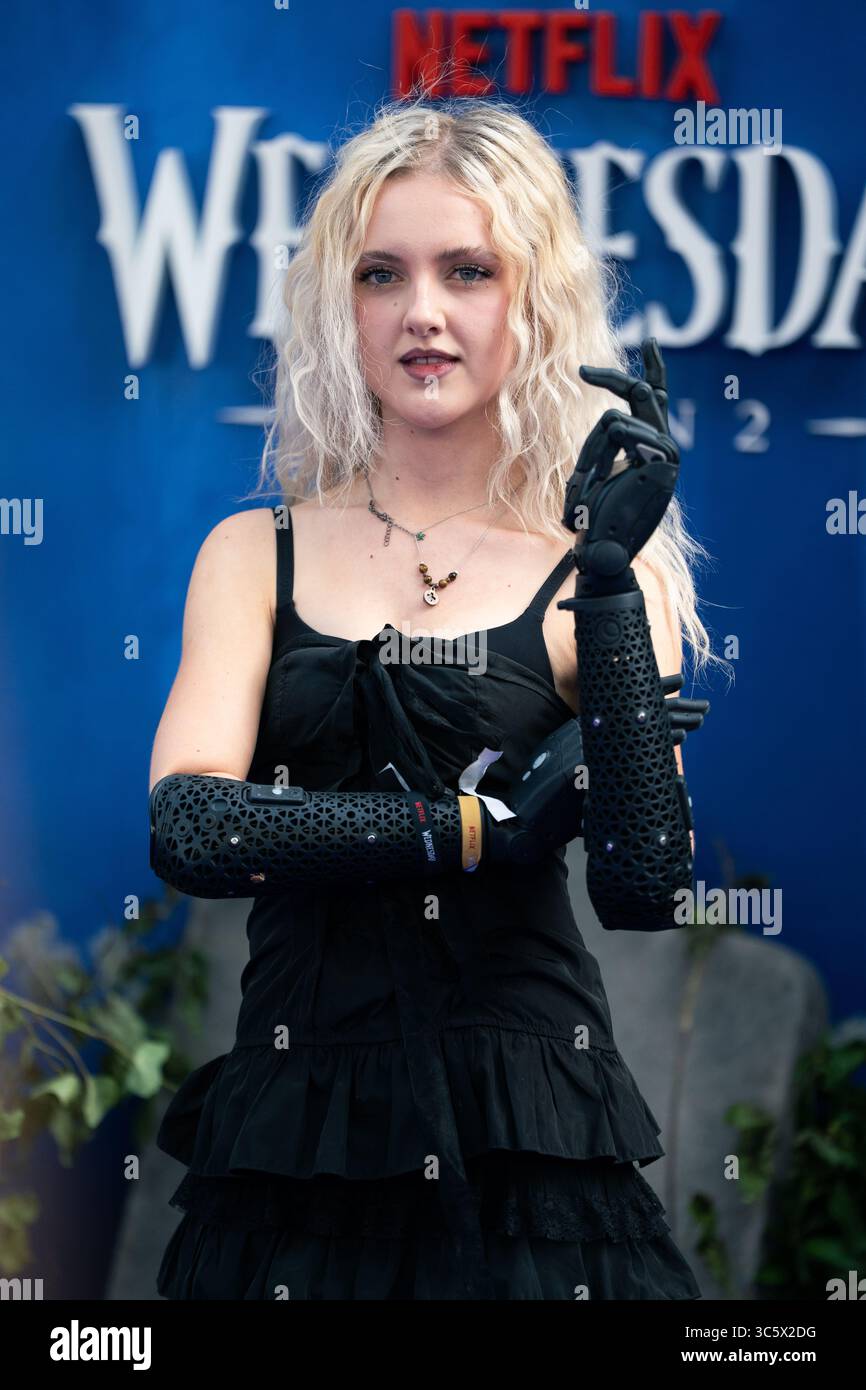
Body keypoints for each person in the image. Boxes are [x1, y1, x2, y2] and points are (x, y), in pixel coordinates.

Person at [150, 95, 721, 1300]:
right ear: (336, 306)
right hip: (296, 1135)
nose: (422, 311)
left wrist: (611, 592)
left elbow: (640, 883)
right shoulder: (254, 553)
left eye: (467, 269)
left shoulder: (599, 570)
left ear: (531, 298)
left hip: (529, 1144)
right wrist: (459, 826)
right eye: (380, 273)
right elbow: (191, 828)